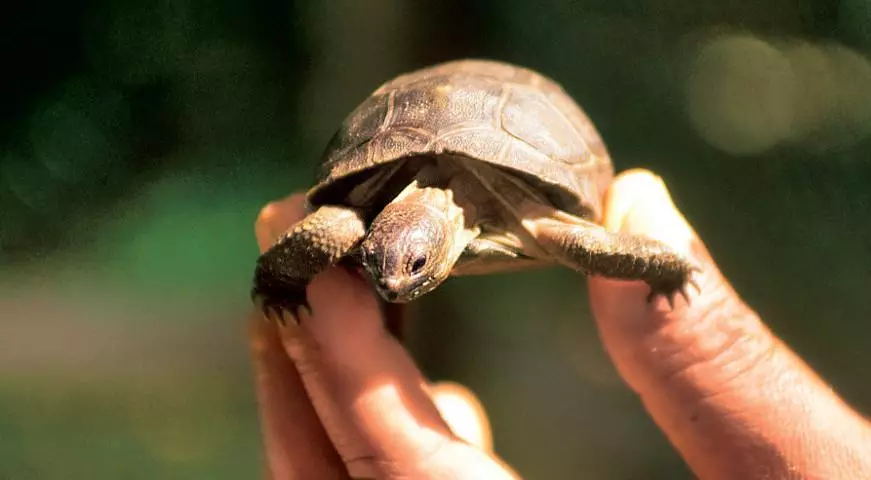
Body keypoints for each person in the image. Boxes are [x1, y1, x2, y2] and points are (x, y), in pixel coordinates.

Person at [248, 169, 871, 479]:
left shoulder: (537, 218)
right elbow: (330, 229)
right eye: (384, 265)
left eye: (409, 268)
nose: (393, 283)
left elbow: (609, 246)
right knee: (331, 233)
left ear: (431, 250)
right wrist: (279, 276)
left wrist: (666, 269)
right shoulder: (356, 225)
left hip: (524, 184)